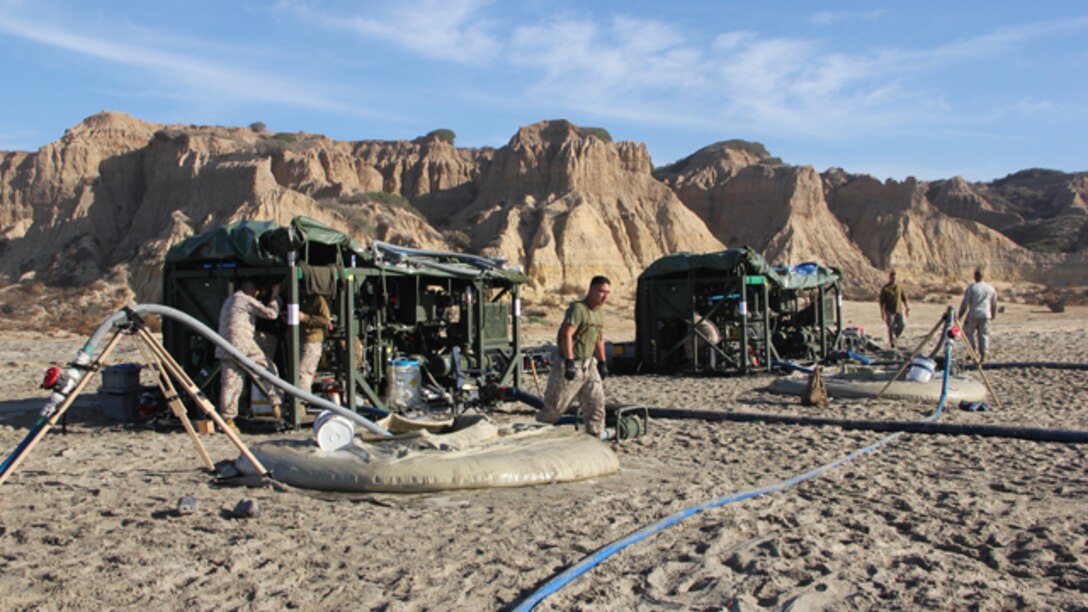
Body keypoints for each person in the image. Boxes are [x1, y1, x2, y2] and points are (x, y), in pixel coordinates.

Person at [537, 276, 611, 438]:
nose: (605, 296)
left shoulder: (599, 313)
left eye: (607, 293)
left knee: (596, 404)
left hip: (589, 364)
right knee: (555, 408)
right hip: (571, 364)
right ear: (591, 290)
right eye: (601, 292)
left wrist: (602, 361)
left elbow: (598, 338)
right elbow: (567, 334)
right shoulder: (578, 310)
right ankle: (535, 432)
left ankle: (595, 436)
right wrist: (569, 361)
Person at [216, 279, 283, 432]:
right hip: (242, 345)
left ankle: (228, 420)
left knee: (231, 383)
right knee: (268, 368)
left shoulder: (230, 300)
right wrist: (275, 296)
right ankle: (276, 404)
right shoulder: (246, 300)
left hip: (225, 347)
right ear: (253, 292)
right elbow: (271, 314)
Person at [958, 267, 998, 363]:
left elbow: (965, 303)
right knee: (984, 335)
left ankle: (972, 350)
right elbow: (994, 303)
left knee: (968, 332)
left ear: (975, 276)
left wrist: (960, 315)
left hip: (973, 314)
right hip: (986, 314)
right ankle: (983, 354)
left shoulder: (972, 287)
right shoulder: (990, 288)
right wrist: (993, 314)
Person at [298, 292, 332, 399]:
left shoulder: (318, 299)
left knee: (303, 373)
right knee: (300, 373)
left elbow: (325, 320)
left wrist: (304, 318)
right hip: (301, 340)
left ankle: (302, 403)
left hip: (312, 341)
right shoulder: (301, 298)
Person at [879, 270, 910, 348]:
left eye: (895, 278)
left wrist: (907, 307)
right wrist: (882, 312)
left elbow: (904, 298)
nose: (893, 280)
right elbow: (882, 302)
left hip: (899, 309)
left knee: (902, 323)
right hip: (889, 310)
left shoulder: (899, 287)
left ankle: (895, 335)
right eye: (892, 278)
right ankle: (891, 342)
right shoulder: (885, 289)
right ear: (890, 278)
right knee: (891, 326)